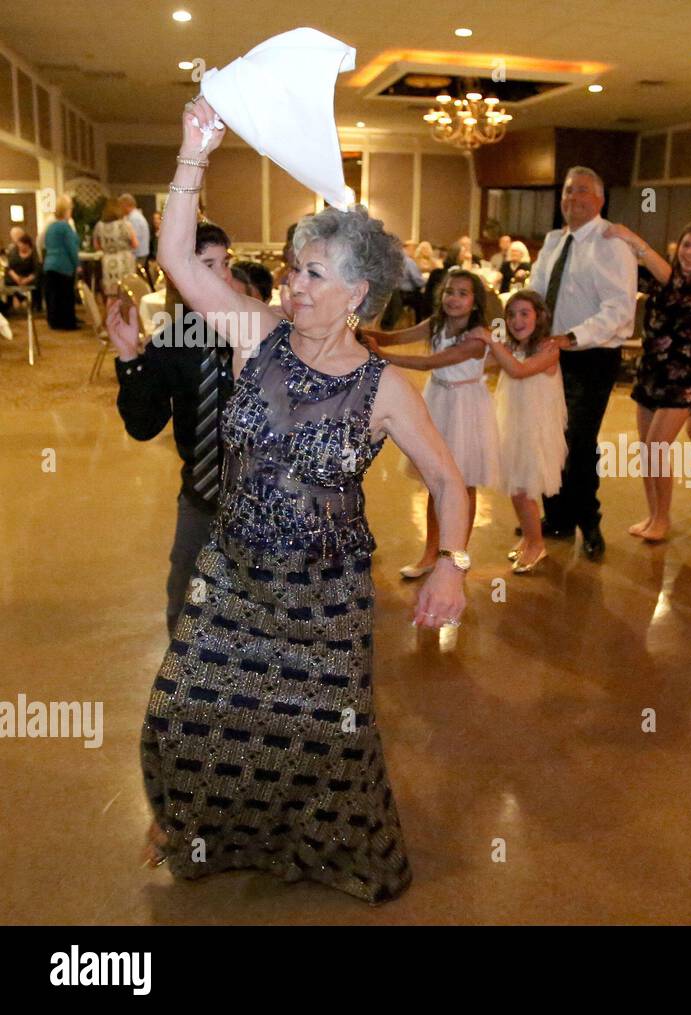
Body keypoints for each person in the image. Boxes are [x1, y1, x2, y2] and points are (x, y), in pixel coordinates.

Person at [138, 97, 469, 902]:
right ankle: (210, 824)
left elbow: (449, 480)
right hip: (234, 576)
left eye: (311, 274)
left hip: (324, 594)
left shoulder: (384, 384)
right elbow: (180, 261)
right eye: (291, 270)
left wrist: (452, 565)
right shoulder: (258, 337)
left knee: (322, 738)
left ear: (357, 290)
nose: (292, 287)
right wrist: (193, 150)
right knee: (184, 715)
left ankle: (319, 850)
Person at [112, 221, 241, 634]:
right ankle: (186, 675)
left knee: (254, 597)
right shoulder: (173, 341)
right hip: (201, 495)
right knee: (186, 590)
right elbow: (144, 426)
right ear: (180, 273)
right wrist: (131, 357)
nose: (222, 276)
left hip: (260, 497)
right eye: (207, 264)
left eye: (225, 263)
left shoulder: (254, 331)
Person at [362, 269, 501, 577]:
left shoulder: (477, 338)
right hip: (439, 400)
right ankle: (430, 554)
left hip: (466, 406)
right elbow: (395, 337)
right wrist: (357, 328)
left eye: (463, 293)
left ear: (476, 301)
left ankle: (456, 556)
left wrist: (381, 354)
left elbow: (428, 363)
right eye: (450, 291)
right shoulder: (436, 323)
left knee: (463, 483)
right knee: (435, 480)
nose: (454, 298)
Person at [530, 166, 638, 561]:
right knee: (549, 437)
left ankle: (588, 521)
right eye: (567, 191)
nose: (571, 198)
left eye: (581, 192)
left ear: (599, 199)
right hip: (550, 355)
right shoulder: (555, 240)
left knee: (578, 441)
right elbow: (538, 291)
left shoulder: (611, 243)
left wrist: (572, 337)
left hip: (591, 356)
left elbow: (619, 310)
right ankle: (555, 516)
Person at [606, 220, 691, 542]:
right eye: (687, 245)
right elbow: (624, 272)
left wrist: (632, 238)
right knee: (647, 450)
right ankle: (653, 514)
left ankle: (663, 519)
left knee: (657, 448)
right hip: (650, 371)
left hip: (681, 376)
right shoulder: (659, 281)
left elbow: (670, 280)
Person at [486, 289, 567, 574]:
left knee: (525, 490)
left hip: (535, 430)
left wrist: (491, 343)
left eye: (525, 314)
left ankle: (537, 545)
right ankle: (529, 539)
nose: (517, 320)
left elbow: (519, 371)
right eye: (511, 314)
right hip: (513, 426)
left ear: (539, 317)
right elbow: (486, 364)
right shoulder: (513, 347)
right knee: (515, 487)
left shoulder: (548, 349)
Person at [42, 195, 82, 330]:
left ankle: (54, 322)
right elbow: (72, 248)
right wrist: (78, 265)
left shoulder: (50, 227)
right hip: (63, 265)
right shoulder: (65, 227)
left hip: (49, 264)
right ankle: (67, 323)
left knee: (53, 296)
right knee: (66, 296)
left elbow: (44, 244)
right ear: (66, 210)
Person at [93, 197, 138, 295]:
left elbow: (96, 246)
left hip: (109, 262)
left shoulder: (99, 226)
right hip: (125, 261)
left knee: (111, 294)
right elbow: (135, 244)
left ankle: (111, 310)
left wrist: (108, 249)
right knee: (126, 293)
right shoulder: (126, 225)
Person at [2, 233, 39, 314]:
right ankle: (10, 305)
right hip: (15, 277)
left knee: (37, 281)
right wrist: (15, 277)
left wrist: (27, 279)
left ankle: (33, 305)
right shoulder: (14, 253)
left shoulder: (34, 254)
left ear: (28, 244)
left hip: (29, 277)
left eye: (23, 245)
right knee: (8, 280)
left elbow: (36, 270)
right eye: (19, 244)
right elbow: (9, 267)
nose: (21, 246)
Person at [121, 193, 151, 272]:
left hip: (137, 254)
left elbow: (134, 240)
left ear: (126, 204)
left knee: (135, 280)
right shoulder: (136, 216)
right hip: (140, 253)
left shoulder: (134, 218)